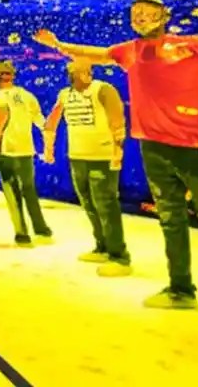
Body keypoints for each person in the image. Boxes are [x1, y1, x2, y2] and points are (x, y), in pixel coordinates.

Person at [33, 0, 198, 335]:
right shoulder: (131, 51)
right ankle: (181, 290)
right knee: (170, 220)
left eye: (149, 13)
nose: (142, 17)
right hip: (153, 147)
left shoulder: (191, 45)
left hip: (196, 147)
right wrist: (59, 44)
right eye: (136, 13)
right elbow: (98, 53)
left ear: (164, 16)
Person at [43, 62, 132, 275]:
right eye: (81, 70)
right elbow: (52, 120)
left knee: (106, 205)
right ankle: (102, 246)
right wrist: (48, 147)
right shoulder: (65, 94)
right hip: (78, 156)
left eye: (88, 69)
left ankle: (119, 255)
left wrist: (118, 151)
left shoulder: (102, 89)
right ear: (71, 73)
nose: (86, 73)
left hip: (102, 156)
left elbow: (117, 119)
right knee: (89, 203)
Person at [0, 61, 53, 246]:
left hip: (7, 149)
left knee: (12, 192)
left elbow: (1, 119)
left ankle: (22, 233)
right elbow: (40, 120)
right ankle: (41, 228)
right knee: (29, 190)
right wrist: (48, 142)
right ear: (12, 75)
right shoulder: (26, 95)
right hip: (26, 148)